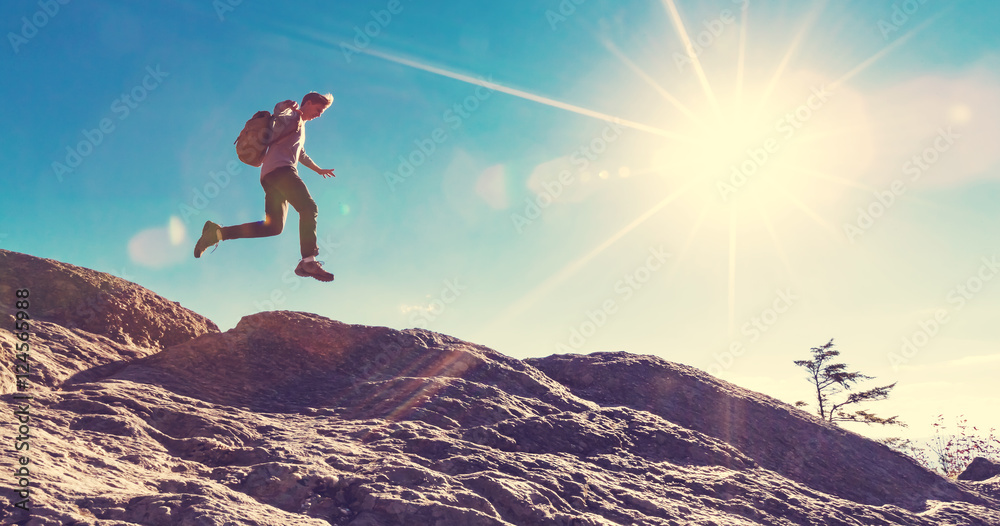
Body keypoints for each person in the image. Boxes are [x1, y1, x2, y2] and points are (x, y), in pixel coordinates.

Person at [194, 92, 336, 282]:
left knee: (274, 227)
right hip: (282, 172)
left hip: (270, 176)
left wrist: (318, 170)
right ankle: (308, 260)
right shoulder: (292, 116)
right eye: (319, 110)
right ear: (308, 103)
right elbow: (278, 113)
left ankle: (217, 233)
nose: (319, 115)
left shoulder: (300, 127)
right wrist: (286, 104)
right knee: (309, 208)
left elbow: (301, 154)